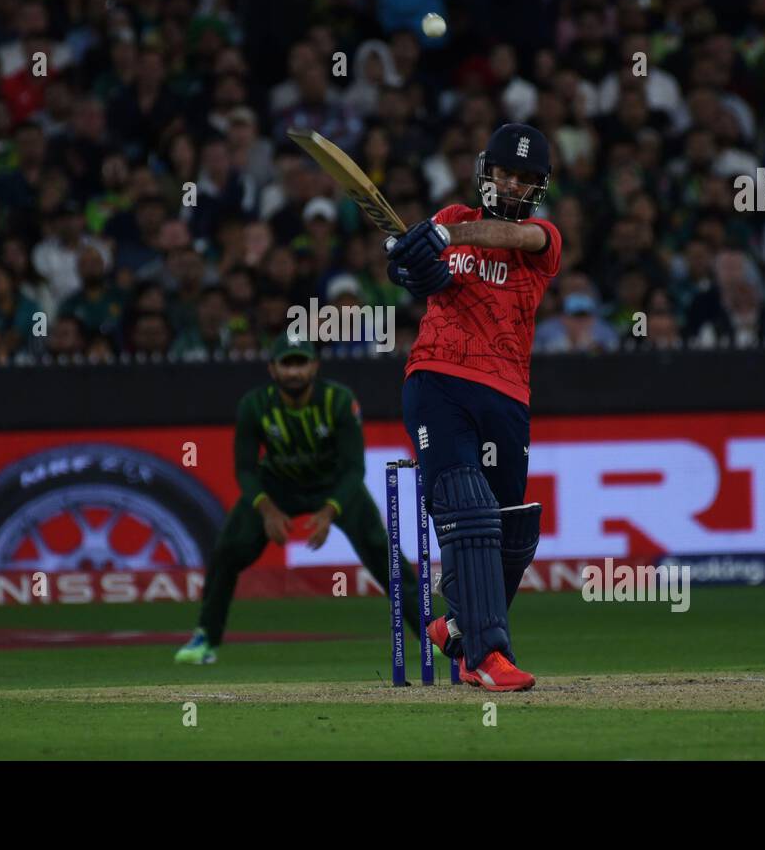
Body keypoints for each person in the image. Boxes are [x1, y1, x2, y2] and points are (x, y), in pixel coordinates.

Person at [384, 122, 563, 692]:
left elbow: (511, 240)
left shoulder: (542, 237)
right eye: (506, 172)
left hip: (508, 393)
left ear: (538, 189)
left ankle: (458, 628)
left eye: (525, 178)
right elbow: (427, 279)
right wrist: (411, 262)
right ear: (488, 170)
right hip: (438, 379)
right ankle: (486, 656)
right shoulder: (449, 217)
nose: (511, 185)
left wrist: (448, 239)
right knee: (468, 506)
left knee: (511, 530)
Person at [176, 331, 420, 664]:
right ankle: (205, 637)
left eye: (300, 363)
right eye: (286, 364)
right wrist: (267, 511)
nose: (294, 372)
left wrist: (330, 511)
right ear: (272, 370)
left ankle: (429, 633)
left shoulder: (339, 400)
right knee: (226, 553)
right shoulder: (254, 405)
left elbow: (354, 468)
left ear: (315, 366)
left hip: (333, 485)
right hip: (276, 485)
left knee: (383, 554)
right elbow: (245, 470)